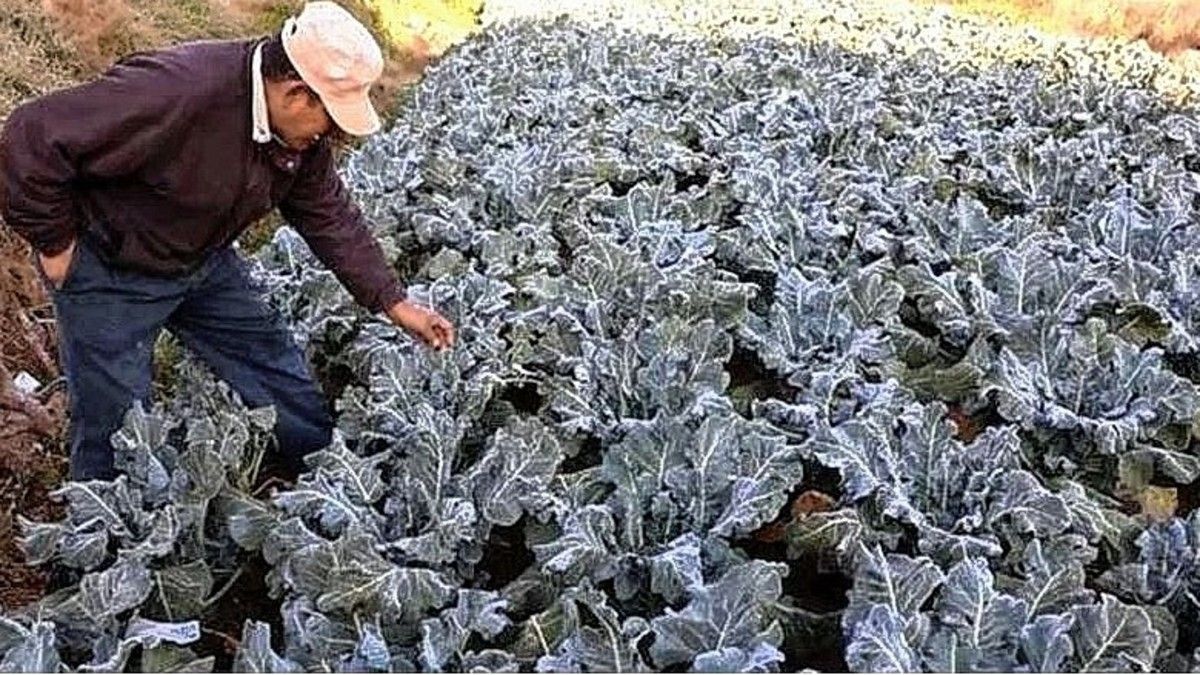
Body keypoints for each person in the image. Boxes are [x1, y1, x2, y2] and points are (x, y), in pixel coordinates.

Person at [0, 0, 455, 482]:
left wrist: (393, 301)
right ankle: (106, 535)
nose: (331, 135)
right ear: (299, 93)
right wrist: (55, 244)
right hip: (113, 272)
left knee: (274, 367)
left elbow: (328, 213)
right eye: (331, 120)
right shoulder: (176, 90)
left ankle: (326, 476)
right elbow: (31, 137)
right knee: (116, 427)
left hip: (202, 264)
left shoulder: (299, 137)